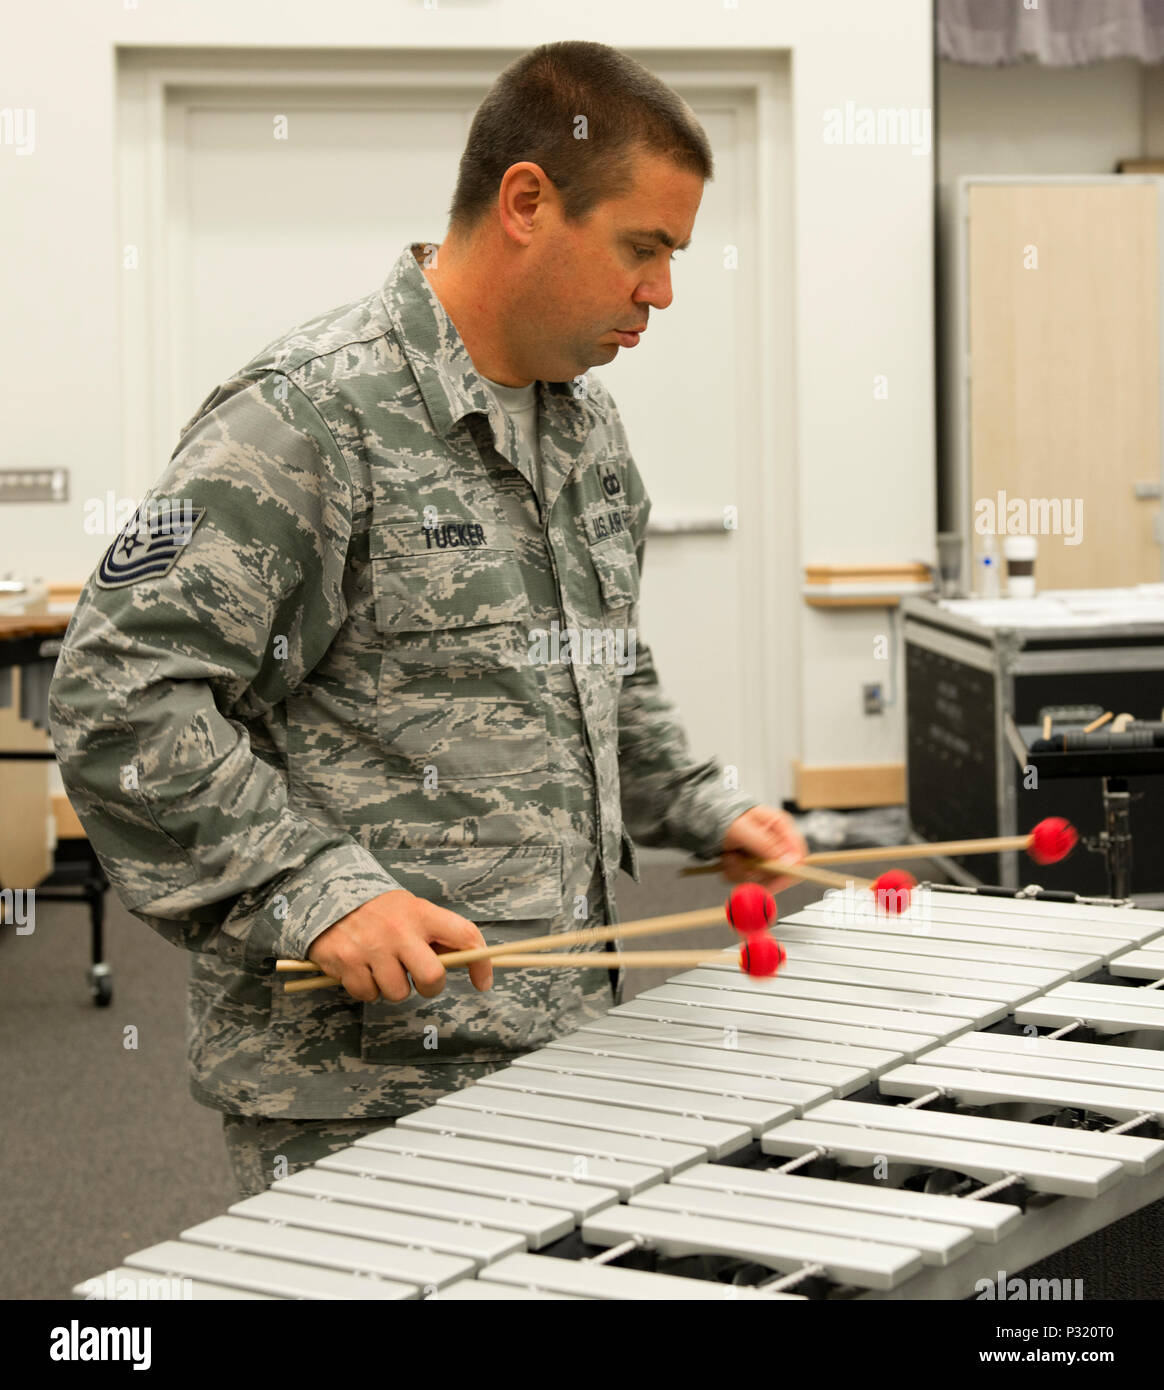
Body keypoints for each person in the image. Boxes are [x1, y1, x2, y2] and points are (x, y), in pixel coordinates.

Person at [48, 39, 805, 1199]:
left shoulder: (587, 428)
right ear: (526, 202)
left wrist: (699, 802)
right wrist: (314, 887)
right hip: (365, 1087)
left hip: (567, 1034)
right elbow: (118, 695)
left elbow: (599, 656)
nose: (662, 291)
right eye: (642, 247)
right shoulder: (308, 417)